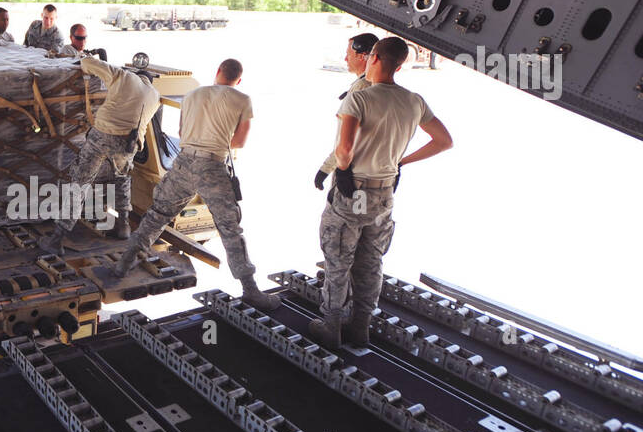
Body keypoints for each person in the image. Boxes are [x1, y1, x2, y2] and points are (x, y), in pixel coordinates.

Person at [306, 37, 453, 350]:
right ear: (399, 66)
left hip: (354, 191)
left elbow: (344, 149)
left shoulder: (359, 99)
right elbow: (443, 141)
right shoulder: (415, 101)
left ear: (373, 58)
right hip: (384, 195)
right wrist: (401, 162)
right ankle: (360, 328)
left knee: (338, 259)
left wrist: (341, 170)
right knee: (371, 262)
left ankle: (331, 326)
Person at [112, 59, 273, 312]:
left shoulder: (192, 95)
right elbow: (239, 142)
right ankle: (250, 289)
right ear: (238, 80)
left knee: (156, 216)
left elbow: (182, 131)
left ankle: (125, 263)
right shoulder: (242, 99)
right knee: (230, 228)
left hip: (183, 163)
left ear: (217, 72)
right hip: (212, 166)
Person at [38, 56, 160, 253]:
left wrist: (83, 60)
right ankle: (123, 226)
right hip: (128, 145)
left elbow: (88, 63)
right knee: (121, 181)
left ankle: (57, 238)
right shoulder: (155, 96)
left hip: (103, 136)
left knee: (80, 183)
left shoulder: (125, 76)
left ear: (138, 75)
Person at [315, 32, 379, 190]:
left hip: (353, 174)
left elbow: (347, 141)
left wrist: (326, 168)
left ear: (363, 56)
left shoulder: (362, 88)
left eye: (348, 54)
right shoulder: (375, 85)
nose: (345, 59)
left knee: (345, 215)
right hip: (371, 174)